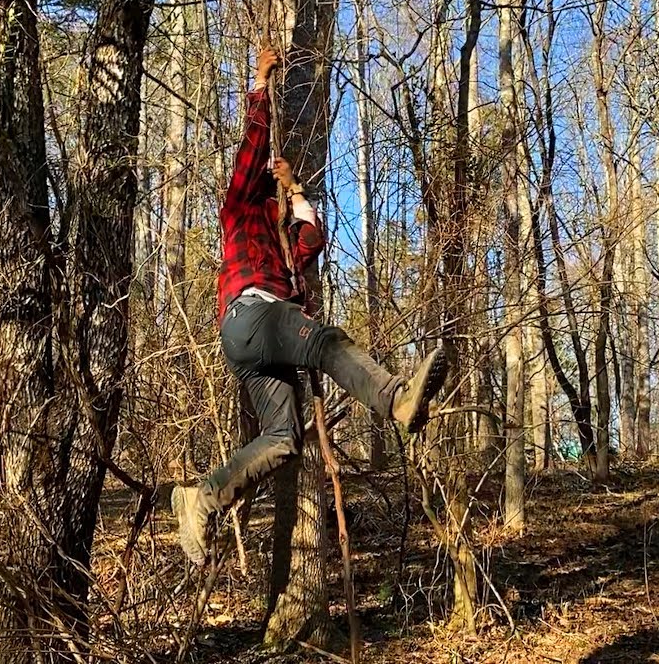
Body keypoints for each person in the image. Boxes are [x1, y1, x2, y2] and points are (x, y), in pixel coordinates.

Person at [171, 48, 451, 566]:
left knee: (282, 438)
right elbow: (251, 154)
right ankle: (396, 399)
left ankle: (202, 498)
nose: (280, 208)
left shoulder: (285, 254)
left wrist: (297, 191)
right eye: (274, 201)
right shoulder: (238, 212)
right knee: (325, 340)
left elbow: (310, 239)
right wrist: (260, 86)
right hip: (251, 315)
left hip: (252, 340)